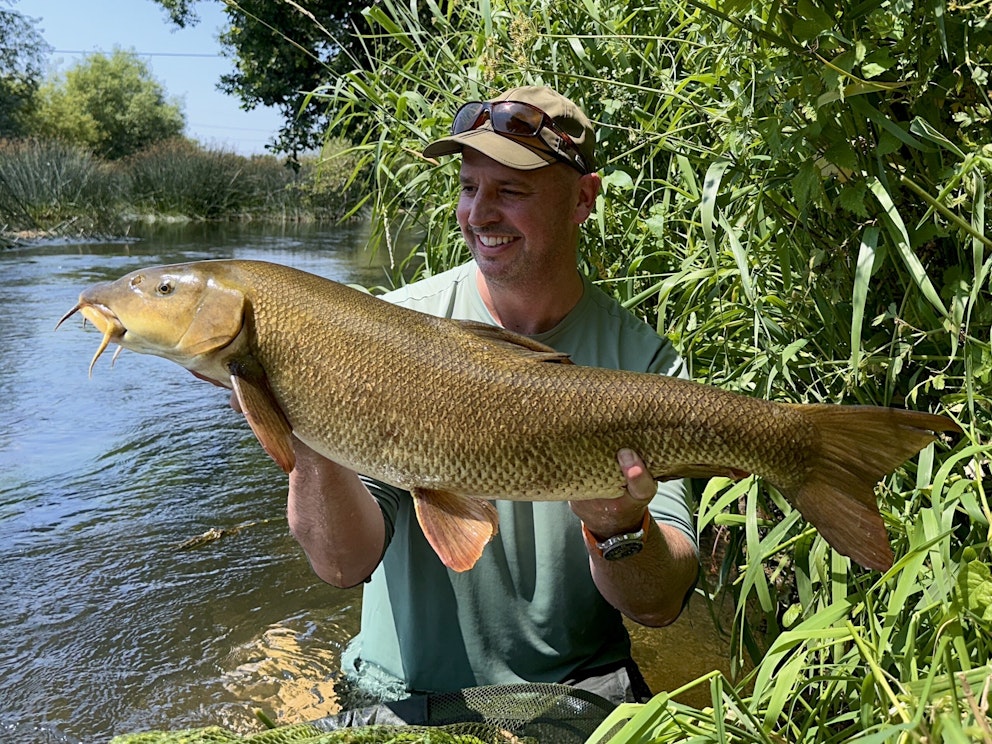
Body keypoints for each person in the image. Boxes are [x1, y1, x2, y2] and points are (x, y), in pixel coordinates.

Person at [286, 85, 699, 709]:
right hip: (403, 695)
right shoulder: (389, 332)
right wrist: (307, 424)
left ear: (583, 199)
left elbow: (660, 604)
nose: (479, 214)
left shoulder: (646, 365)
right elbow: (340, 565)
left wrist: (620, 527)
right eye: (469, 187)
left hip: (575, 691)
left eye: (511, 191)